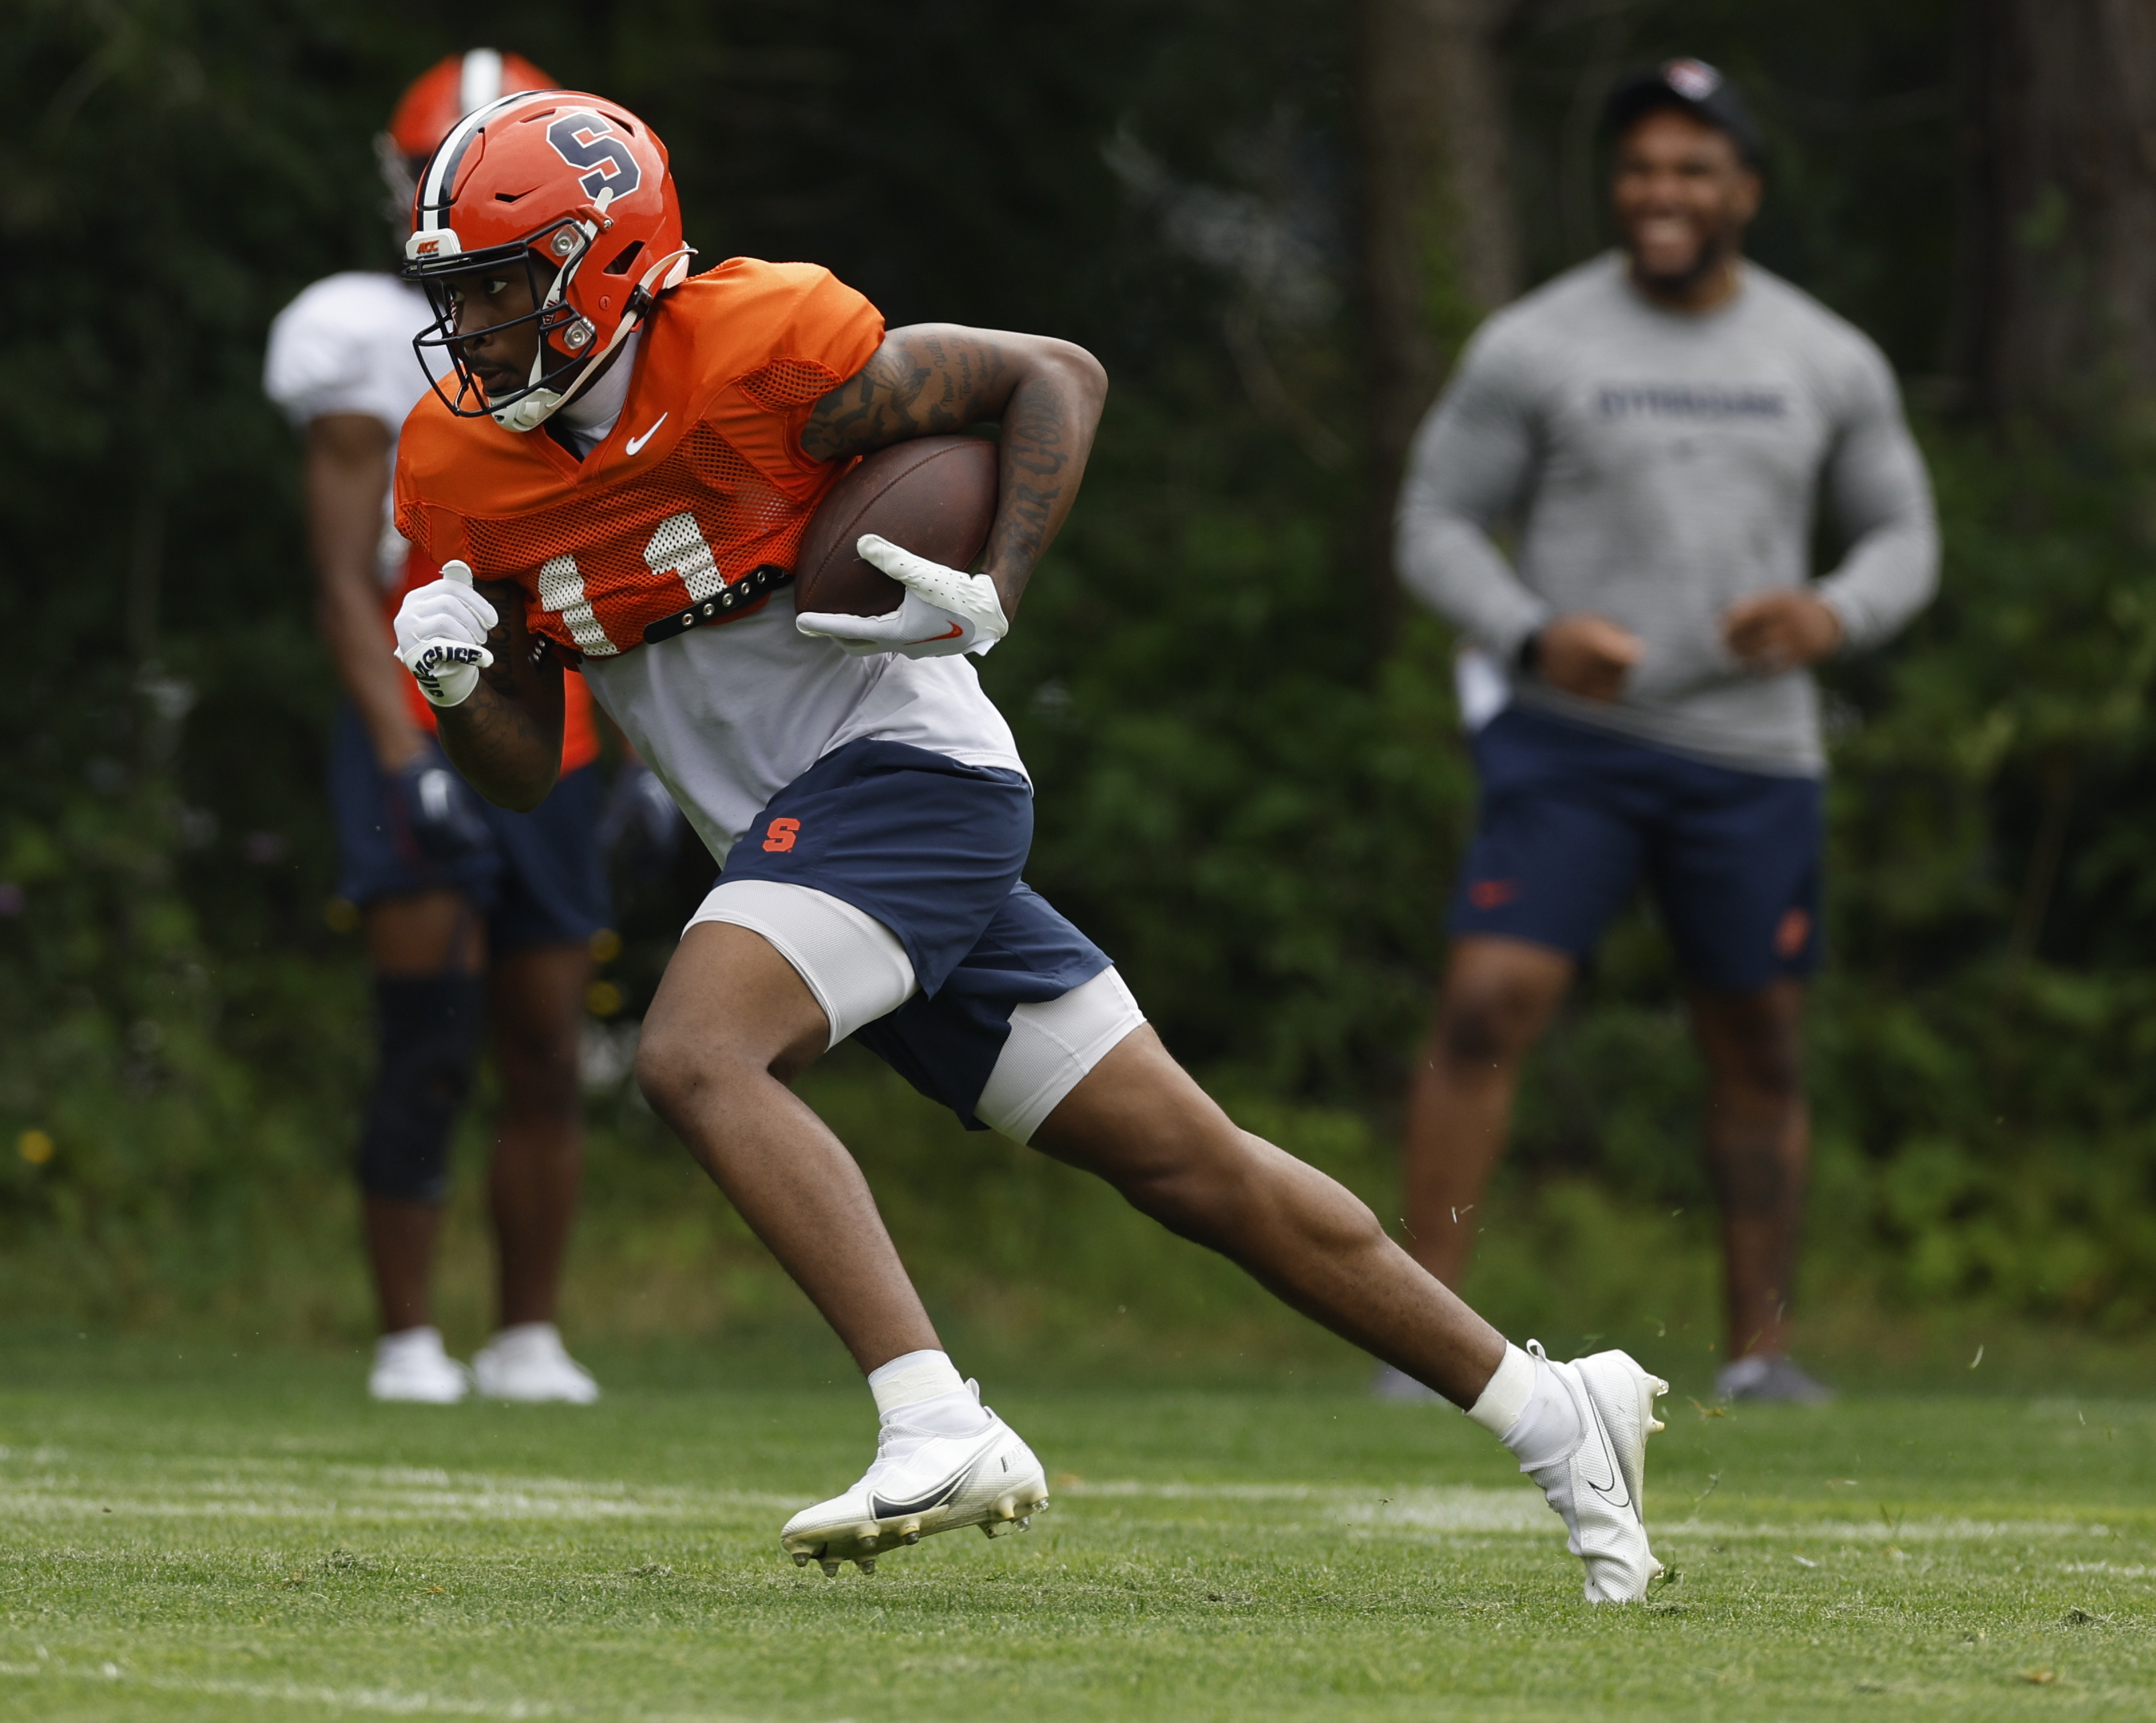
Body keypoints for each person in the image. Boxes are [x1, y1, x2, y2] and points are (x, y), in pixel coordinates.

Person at [383, 84, 1669, 1599]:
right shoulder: (461, 469)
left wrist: (996, 580)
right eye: (454, 297)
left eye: (499, 290)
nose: (470, 330)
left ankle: (934, 1416)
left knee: (692, 1054)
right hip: (803, 850)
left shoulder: (762, 346)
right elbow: (526, 773)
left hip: (909, 780)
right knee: (1198, 1169)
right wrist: (461, 684)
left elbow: (1054, 376)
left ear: (608, 265)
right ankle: (1554, 1411)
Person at [1391, 59, 1939, 1405]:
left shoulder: (1824, 356)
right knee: (1484, 1006)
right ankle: (1417, 1341)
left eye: (1694, 168)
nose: (1662, 192)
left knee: (1756, 1039)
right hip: (1569, 741)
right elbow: (1433, 521)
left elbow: (1904, 535)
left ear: (1744, 189)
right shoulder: (1535, 342)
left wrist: (1830, 613)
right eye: (1640, 166)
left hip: (1751, 756)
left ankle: (1757, 1356)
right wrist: (1532, 634)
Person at [263, 51, 609, 1405]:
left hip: (563, 725)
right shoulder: (357, 331)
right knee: (426, 1040)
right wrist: (408, 755)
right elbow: (346, 581)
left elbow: (619, 570)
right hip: (418, 711)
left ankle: (528, 1333)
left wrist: (633, 748)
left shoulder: (608, 337)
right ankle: (408, 1334)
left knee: (543, 1037)